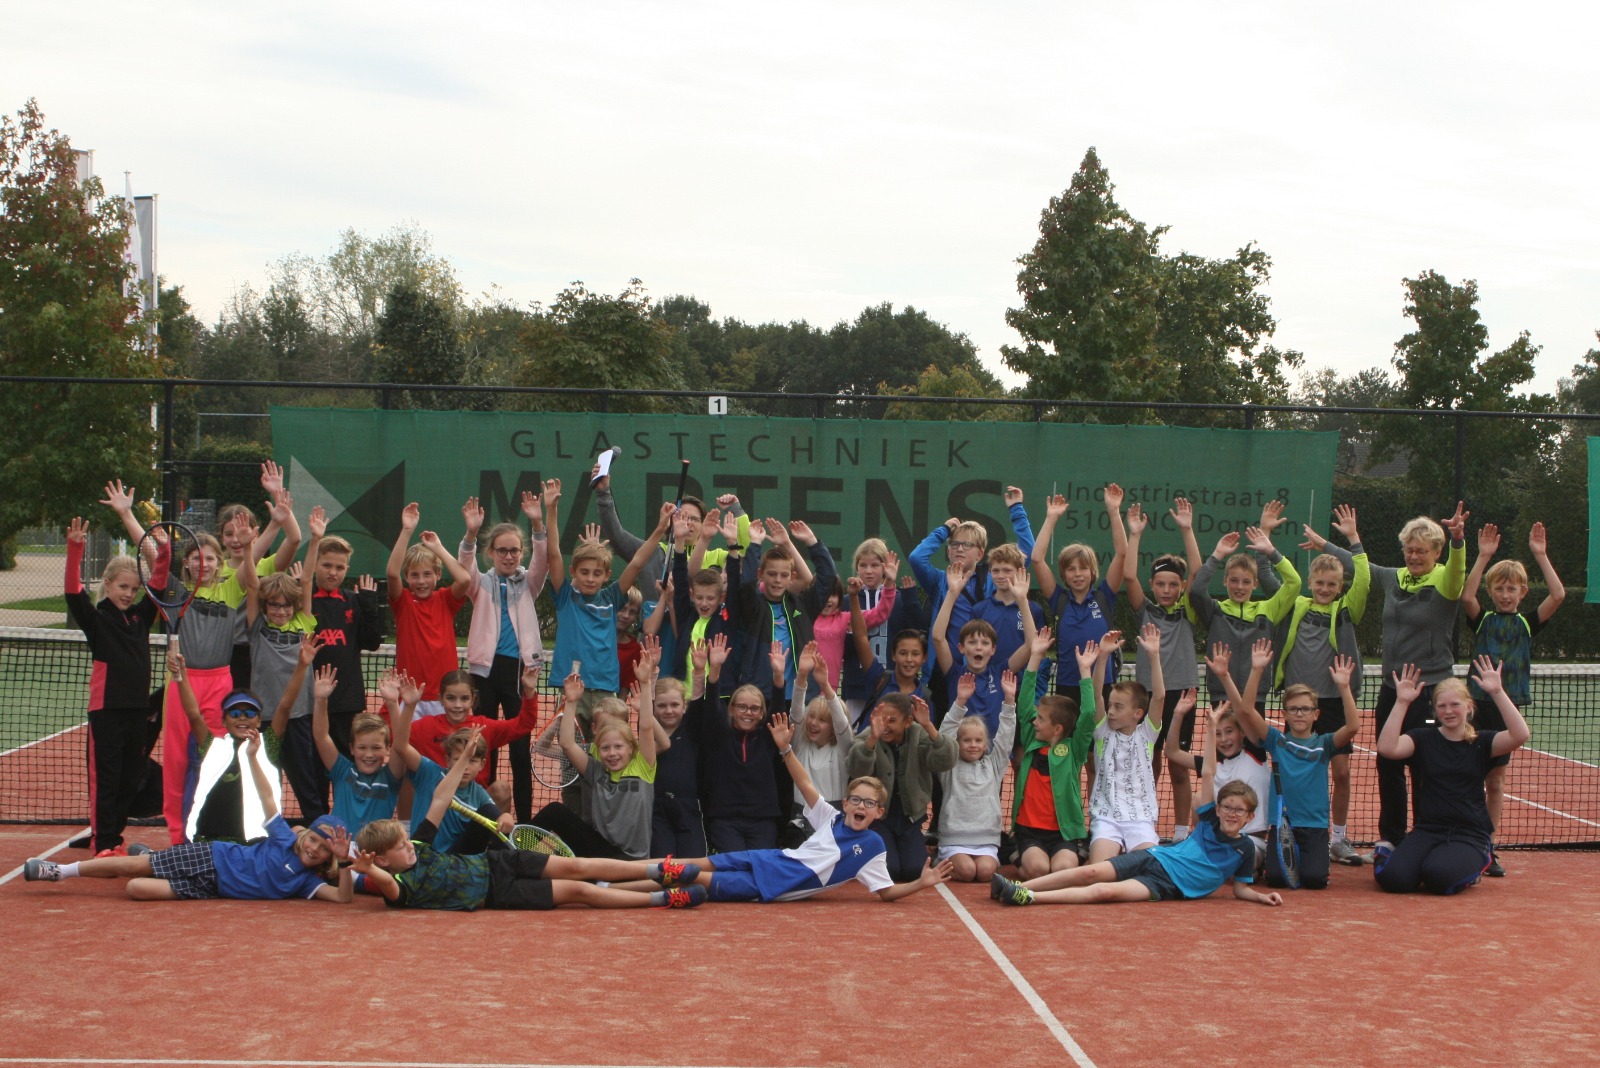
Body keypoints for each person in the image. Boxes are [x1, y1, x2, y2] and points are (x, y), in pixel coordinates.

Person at [352, 726, 706, 911]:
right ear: (383, 860)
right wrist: (369, 870)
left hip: (497, 862)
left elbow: (441, 797)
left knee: (581, 867)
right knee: (580, 891)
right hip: (499, 893)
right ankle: (662, 899)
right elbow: (389, 886)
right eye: (399, 847)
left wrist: (463, 758)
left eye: (403, 840)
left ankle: (661, 870)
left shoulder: (419, 845)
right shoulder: (400, 891)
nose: (408, 847)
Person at [616, 714, 953, 903]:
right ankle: (611, 875)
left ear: (879, 812)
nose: (860, 806)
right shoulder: (831, 818)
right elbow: (806, 785)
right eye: (856, 799)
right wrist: (786, 749)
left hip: (771, 885)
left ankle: (608, 890)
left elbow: (887, 892)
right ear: (846, 803)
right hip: (768, 858)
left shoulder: (872, 848)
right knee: (684, 864)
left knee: (687, 878)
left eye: (869, 803)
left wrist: (922, 883)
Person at [991, 702, 1282, 908]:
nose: (1231, 813)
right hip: (1156, 858)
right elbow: (1208, 772)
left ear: (1250, 816)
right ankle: (1018, 887)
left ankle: (1029, 897)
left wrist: (1260, 897)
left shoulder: (1244, 849)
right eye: (1227, 807)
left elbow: (1242, 888)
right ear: (1217, 809)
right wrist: (1210, 727)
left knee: (1104, 892)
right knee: (1091, 872)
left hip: (1168, 886)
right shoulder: (1208, 821)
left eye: (1238, 810)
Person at [25, 730, 354, 905]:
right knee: (131, 868)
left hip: (212, 889)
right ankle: (61, 872)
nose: (315, 849)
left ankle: (156, 857)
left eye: (324, 850)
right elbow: (266, 795)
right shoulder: (284, 838)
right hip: (211, 858)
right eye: (314, 840)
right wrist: (252, 756)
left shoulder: (307, 882)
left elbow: (341, 897)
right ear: (304, 835)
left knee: (137, 889)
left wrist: (346, 864)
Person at [104, 488, 259, 845]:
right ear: (186, 564)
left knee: (220, 760)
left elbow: (251, 579)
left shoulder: (230, 590)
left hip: (220, 685)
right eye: (194, 558)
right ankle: (178, 837)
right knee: (176, 763)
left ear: (219, 563)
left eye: (208, 558)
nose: (201, 564)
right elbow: (151, 553)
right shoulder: (174, 593)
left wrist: (249, 547)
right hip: (181, 685)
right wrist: (128, 515)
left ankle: (220, 829)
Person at [1460, 520, 1564, 876]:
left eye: (1512, 589)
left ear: (1523, 593)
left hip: (1508, 711)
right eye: (1500, 588)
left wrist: (1541, 554)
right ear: (1493, 591)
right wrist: (1483, 556)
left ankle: (1487, 845)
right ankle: (1467, 840)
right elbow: (1466, 596)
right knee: (1468, 778)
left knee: (1496, 782)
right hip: (1474, 708)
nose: (1506, 594)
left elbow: (1559, 596)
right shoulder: (1483, 619)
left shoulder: (1527, 623)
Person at [1374, 659, 1530, 895]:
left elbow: (1520, 735)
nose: (1448, 711)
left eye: (1455, 705)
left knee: (1437, 877)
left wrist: (1497, 692)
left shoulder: (1482, 742)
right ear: (1435, 710)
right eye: (1442, 706)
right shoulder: (1422, 738)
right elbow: (1387, 748)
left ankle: (1478, 859)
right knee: (1394, 880)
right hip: (1428, 830)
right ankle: (1396, 854)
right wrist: (1402, 701)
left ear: (1469, 707)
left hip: (1470, 834)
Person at [1222, 640, 1361, 891]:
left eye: (1306, 709)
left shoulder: (1325, 744)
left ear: (1315, 715)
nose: (1299, 714)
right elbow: (1246, 710)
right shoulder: (1277, 741)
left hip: (1315, 826)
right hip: (1282, 824)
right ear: (1284, 714)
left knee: (1314, 880)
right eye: (1294, 709)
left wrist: (1344, 687)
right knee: (1276, 879)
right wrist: (1257, 670)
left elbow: (1352, 727)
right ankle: (1267, 861)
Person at [1369, 503, 1469, 852]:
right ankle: (1391, 839)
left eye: (1421, 550)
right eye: (1409, 549)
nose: (1414, 556)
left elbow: (1458, 570)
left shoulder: (1446, 580)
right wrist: (1338, 542)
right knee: (1388, 763)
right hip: (1391, 690)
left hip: (1430, 691)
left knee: (1427, 766)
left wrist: (1458, 539)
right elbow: (1359, 567)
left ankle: (1428, 836)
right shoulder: (1394, 577)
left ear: (1436, 552)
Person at [64, 516, 164, 857]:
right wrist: (76, 548)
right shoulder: (96, 619)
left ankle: (114, 836)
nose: (129, 594)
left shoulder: (140, 618)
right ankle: (102, 841)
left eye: (134, 589)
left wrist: (163, 550)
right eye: (123, 587)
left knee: (129, 778)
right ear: (107, 585)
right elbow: (73, 591)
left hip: (137, 713)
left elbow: (161, 581)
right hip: (106, 712)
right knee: (106, 779)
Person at [1281, 504, 1369, 864]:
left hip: (1334, 701)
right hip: (1300, 704)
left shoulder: (1346, 611)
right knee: (1294, 772)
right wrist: (1272, 547)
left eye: (1332, 585)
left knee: (1342, 771)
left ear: (1339, 587)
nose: (1325, 589)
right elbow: (1279, 580)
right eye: (1320, 583)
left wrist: (1350, 541)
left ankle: (1338, 838)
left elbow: (1362, 578)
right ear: (1311, 582)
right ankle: (1289, 829)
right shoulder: (1296, 606)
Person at [544, 479, 671, 722]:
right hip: (572, 687)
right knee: (571, 754)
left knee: (606, 753)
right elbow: (553, 553)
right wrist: (551, 510)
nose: (590, 578)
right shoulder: (565, 597)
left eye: (597, 573)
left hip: (605, 689)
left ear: (606, 575)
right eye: (584, 572)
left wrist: (660, 529)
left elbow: (637, 562)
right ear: (573, 572)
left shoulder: (612, 597)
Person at [458, 492, 548, 823]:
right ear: (491, 553)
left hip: (520, 674)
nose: (508, 556)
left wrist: (537, 522)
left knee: (521, 753)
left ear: (521, 552)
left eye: (514, 550)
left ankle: (524, 823)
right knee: (485, 751)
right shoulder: (478, 585)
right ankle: (486, 820)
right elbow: (463, 565)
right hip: (484, 673)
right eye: (502, 550)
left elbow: (543, 561)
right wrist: (470, 533)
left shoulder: (530, 584)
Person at [1120, 499, 1203, 840]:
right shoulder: (1145, 611)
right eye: (1160, 584)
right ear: (1153, 586)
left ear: (1182, 586)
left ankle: (1182, 832)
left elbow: (1198, 573)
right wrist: (1135, 533)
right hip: (1147, 696)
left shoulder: (1190, 610)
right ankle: (1146, 827)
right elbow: (1128, 574)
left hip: (1181, 696)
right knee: (1148, 766)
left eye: (1173, 584)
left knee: (1178, 766)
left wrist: (1187, 528)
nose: (1167, 590)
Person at [908, 490, 1036, 703]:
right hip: (947, 670)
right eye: (955, 544)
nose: (959, 549)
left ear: (979, 553)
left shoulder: (993, 578)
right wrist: (944, 530)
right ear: (948, 552)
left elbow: (1027, 554)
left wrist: (1016, 510)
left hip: (985, 667)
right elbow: (916, 558)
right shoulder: (940, 580)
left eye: (967, 545)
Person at [1008, 631, 1098, 879]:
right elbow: (1024, 703)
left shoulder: (1074, 750)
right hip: (1030, 831)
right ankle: (1016, 852)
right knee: (1038, 869)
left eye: (1041, 719)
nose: (1034, 722)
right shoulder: (1030, 741)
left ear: (1058, 728)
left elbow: (1089, 714)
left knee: (1061, 870)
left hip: (1063, 833)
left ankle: (1074, 853)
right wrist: (1035, 657)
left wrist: (1085, 673)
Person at [1031, 484, 1130, 698]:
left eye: (1083, 568)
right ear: (1064, 574)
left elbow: (1122, 554)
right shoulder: (1059, 600)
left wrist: (1114, 511)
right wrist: (1051, 518)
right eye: (1071, 569)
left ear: (1092, 571)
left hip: (1101, 685)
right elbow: (1037, 559)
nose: (1077, 574)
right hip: (1067, 687)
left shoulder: (1105, 596)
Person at [845, 692, 956, 883]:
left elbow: (945, 761)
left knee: (914, 870)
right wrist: (872, 738)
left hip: (909, 818)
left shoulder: (918, 733)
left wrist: (928, 726)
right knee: (890, 871)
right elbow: (856, 769)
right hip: (878, 819)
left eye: (892, 721)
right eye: (881, 719)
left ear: (907, 722)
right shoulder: (869, 734)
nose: (885, 726)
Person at [690, 634, 786, 852]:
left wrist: (778, 676)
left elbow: (779, 709)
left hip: (763, 820)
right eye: (741, 707)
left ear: (762, 713)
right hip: (725, 820)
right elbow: (712, 705)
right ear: (731, 709)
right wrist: (714, 670)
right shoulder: (719, 735)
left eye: (754, 709)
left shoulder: (768, 737)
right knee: (735, 868)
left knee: (760, 868)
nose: (748, 713)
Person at [1189, 525, 1301, 708]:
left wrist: (1272, 552)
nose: (1239, 587)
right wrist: (1217, 555)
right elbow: (1196, 590)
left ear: (1255, 584)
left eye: (1246, 581)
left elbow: (1294, 582)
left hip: (1255, 696)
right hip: (1221, 695)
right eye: (1234, 580)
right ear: (1225, 581)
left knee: (1253, 739)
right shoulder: (1215, 611)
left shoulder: (1269, 609)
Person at [726, 519, 837, 704]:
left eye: (784, 575)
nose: (778, 580)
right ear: (761, 575)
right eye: (771, 574)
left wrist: (811, 541)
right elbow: (745, 584)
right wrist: (755, 544)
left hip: (799, 697)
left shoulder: (803, 605)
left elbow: (828, 577)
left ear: (792, 578)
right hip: (760, 698)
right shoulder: (753, 607)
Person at [245, 561, 324, 819]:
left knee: (305, 781)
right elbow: (252, 584)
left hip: (299, 717)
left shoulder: (303, 623)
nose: (281, 611)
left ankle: (318, 833)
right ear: (265, 606)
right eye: (275, 605)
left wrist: (314, 539)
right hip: (265, 719)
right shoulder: (258, 629)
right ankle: (268, 837)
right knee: (269, 781)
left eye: (287, 605)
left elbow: (308, 580)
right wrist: (248, 550)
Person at [301, 514, 382, 763]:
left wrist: (369, 606)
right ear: (315, 565)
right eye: (326, 565)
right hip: (309, 700)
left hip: (348, 700)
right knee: (314, 766)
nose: (333, 572)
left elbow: (372, 642)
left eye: (339, 567)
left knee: (348, 765)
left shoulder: (354, 602)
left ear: (347, 569)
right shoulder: (303, 600)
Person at [386, 502, 474, 718]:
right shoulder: (403, 601)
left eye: (427, 574)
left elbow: (464, 579)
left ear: (437, 574)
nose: (421, 581)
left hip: (444, 697)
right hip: (410, 695)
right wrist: (407, 531)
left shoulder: (445, 599)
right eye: (414, 575)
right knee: (408, 749)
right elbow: (391, 573)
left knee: (446, 750)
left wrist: (438, 548)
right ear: (407, 577)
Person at [1086, 626, 1165, 864]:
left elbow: (1159, 697)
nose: (1110, 711)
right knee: (1099, 870)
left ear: (1138, 713)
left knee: (1149, 867)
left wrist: (1154, 655)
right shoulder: (1102, 731)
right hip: (1106, 817)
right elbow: (1095, 692)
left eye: (1118, 707)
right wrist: (1103, 657)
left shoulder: (1147, 734)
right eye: (1110, 705)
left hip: (1140, 818)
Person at [931, 561, 1036, 736]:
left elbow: (1030, 645)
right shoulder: (954, 673)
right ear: (961, 648)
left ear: (993, 649)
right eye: (972, 643)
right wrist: (952, 593)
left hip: (993, 758)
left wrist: (1022, 601)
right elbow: (937, 637)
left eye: (985, 643)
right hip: (960, 756)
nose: (979, 647)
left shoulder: (1001, 672)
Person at [935, 668, 1018, 883]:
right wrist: (960, 702)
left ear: (985, 744)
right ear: (958, 743)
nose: (973, 745)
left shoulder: (993, 764)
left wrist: (1009, 699)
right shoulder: (949, 765)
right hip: (955, 837)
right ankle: (940, 859)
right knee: (966, 871)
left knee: (985, 873)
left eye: (978, 741)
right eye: (967, 740)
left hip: (986, 838)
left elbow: (1006, 737)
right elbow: (944, 735)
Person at [312, 666, 417, 835]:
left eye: (376, 748)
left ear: (387, 749)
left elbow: (401, 743)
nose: (369, 754)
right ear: (352, 748)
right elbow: (321, 736)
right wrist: (320, 700)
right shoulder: (341, 771)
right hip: (341, 852)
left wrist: (392, 703)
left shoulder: (390, 777)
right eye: (362, 747)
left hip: (375, 855)